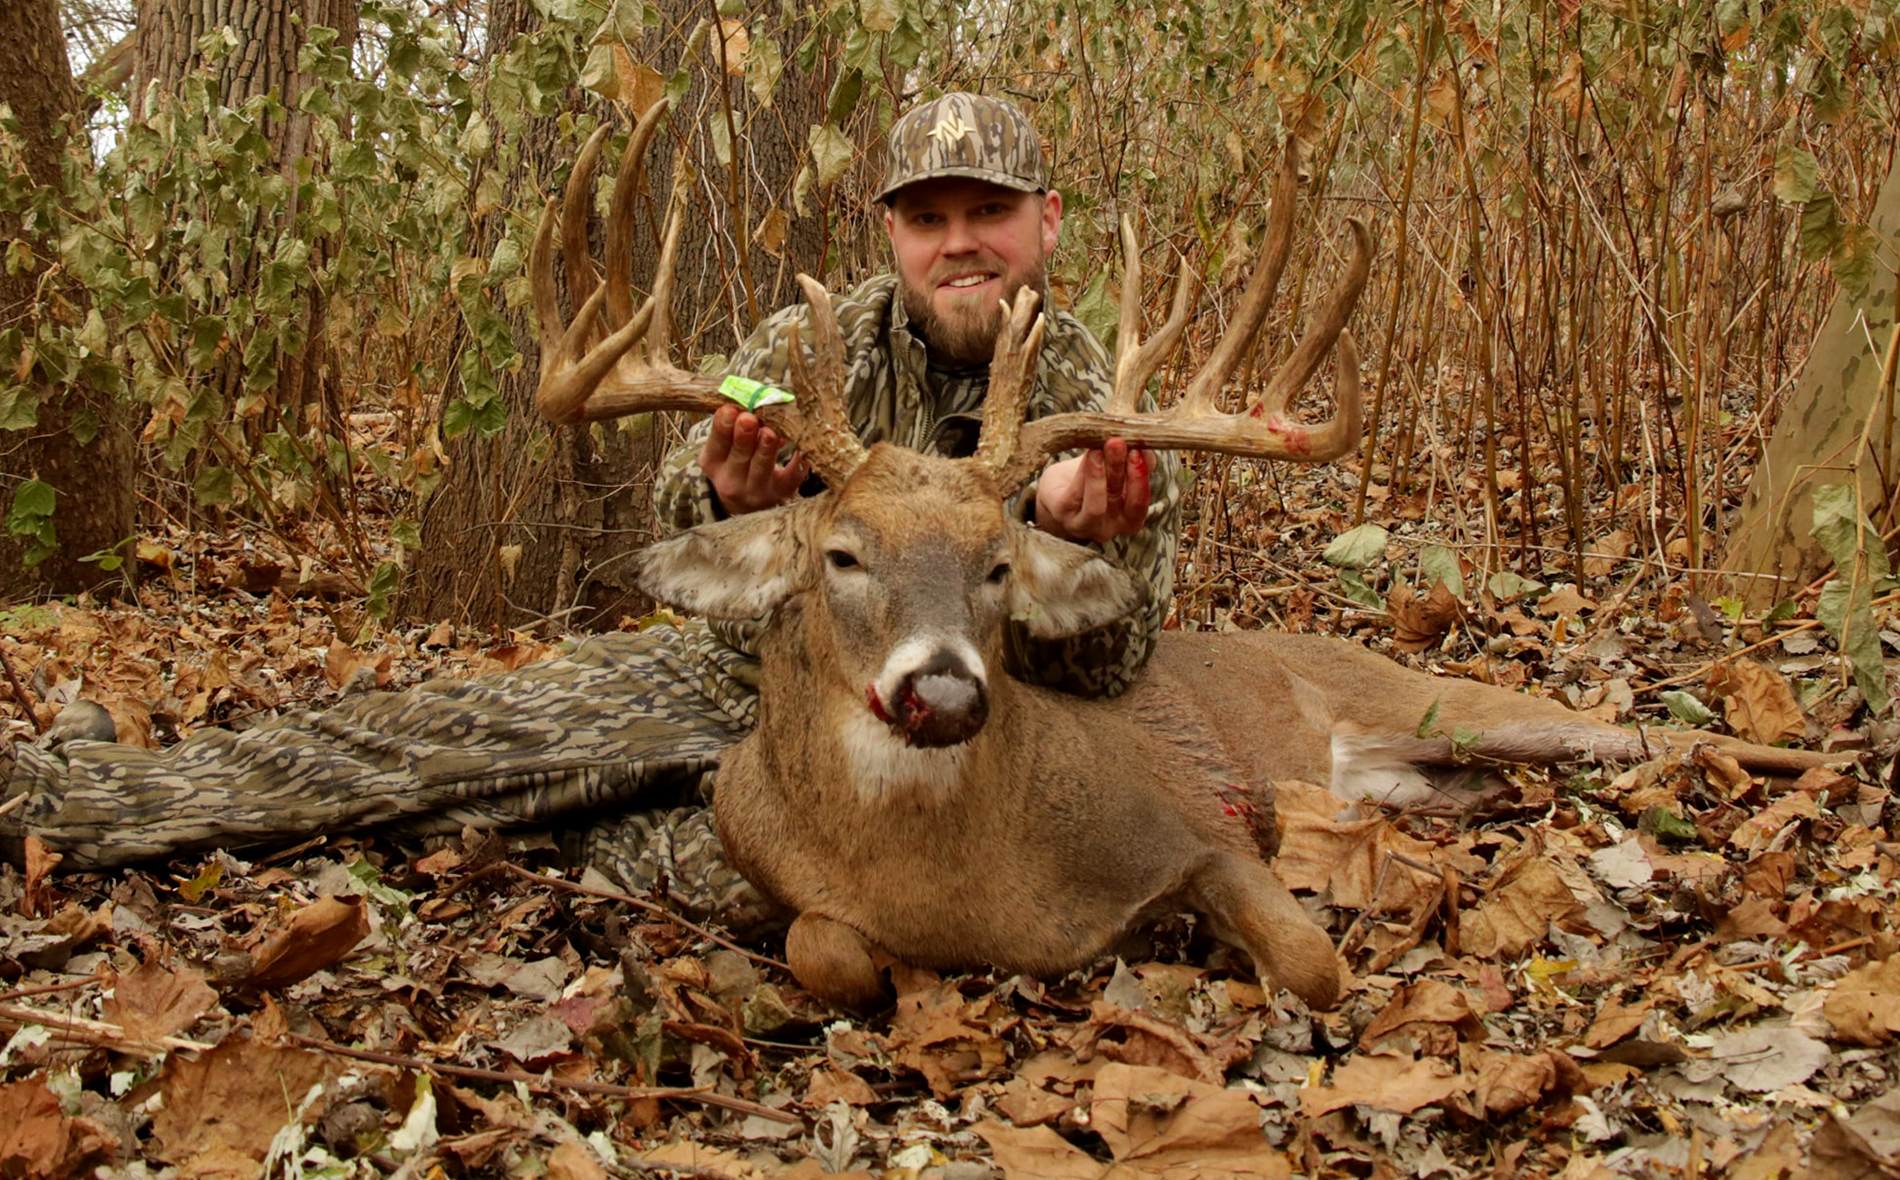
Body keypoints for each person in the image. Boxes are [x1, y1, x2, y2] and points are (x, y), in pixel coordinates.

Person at [0, 94, 1183, 926]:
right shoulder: (797, 355)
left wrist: (1084, 535)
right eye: (929, 218)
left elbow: (1118, 660)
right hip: (750, 680)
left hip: (952, 774)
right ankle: (66, 802)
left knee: (601, 844)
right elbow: (694, 491)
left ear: (1048, 218)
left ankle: (209, 806)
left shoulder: (1101, 408)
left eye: (989, 212)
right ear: (891, 231)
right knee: (428, 742)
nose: (960, 242)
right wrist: (726, 487)